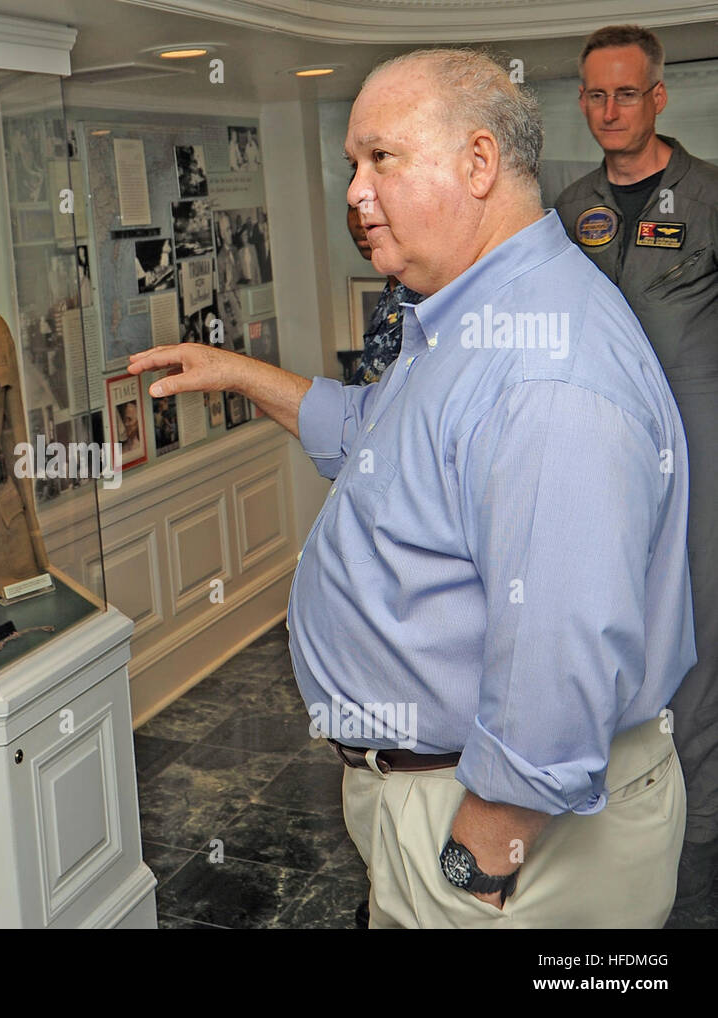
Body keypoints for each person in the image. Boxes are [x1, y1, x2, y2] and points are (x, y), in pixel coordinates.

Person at [129, 47, 695, 928]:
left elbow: (565, 649)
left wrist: (477, 861)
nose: (354, 191)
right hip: (427, 803)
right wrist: (239, 374)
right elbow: (372, 438)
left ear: (478, 163)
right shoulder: (471, 316)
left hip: (508, 841)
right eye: (350, 165)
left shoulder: (548, 370)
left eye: (379, 159)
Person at [554, 24, 718, 909]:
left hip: (701, 455)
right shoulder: (566, 205)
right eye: (594, 94)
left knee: (697, 671)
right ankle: (605, 859)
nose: (608, 110)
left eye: (626, 93)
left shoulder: (709, 197)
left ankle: (693, 879)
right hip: (597, 462)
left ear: (659, 97)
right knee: (605, 639)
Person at [346, 202, 424, 384]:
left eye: (371, 206)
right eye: (353, 209)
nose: (360, 222)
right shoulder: (391, 290)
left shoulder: (425, 291)